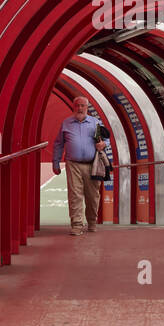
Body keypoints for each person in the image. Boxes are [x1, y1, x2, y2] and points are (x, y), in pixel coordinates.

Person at [51, 96, 111, 236]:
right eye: (77, 105)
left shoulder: (95, 122)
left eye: (83, 105)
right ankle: (77, 225)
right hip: (73, 164)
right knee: (75, 195)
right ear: (73, 107)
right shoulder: (66, 123)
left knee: (92, 196)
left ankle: (92, 223)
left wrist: (104, 144)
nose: (80, 108)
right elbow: (58, 144)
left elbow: (106, 138)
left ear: (87, 107)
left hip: (93, 165)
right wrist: (56, 162)